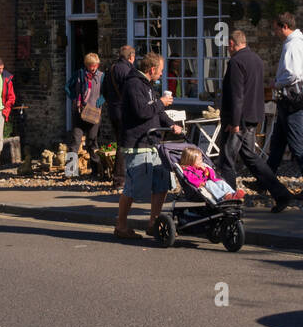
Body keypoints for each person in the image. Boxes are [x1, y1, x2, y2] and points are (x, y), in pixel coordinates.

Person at [219, 30, 292, 211]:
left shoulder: (236, 62)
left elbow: (237, 95)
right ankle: (282, 195)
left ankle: (230, 203)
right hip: (252, 116)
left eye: (229, 46)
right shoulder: (257, 60)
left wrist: (234, 122)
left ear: (232, 44)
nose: (228, 49)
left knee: (227, 160)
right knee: (250, 157)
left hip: (239, 119)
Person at [113, 52, 184, 240]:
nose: (162, 74)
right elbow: (142, 112)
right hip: (138, 144)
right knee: (133, 188)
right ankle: (120, 226)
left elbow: (156, 113)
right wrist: (161, 102)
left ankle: (153, 224)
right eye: (160, 70)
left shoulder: (147, 86)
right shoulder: (134, 84)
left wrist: (171, 124)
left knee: (162, 184)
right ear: (151, 69)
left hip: (153, 142)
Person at [263, 13, 303, 198]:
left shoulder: (292, 45)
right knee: (277, 144)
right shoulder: (298, 44)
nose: (275, 32)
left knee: (297, 144)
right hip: (291, 100)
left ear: (285, 26)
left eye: (276, 28)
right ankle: (265, 182)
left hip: (292, 101)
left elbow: (291, 74)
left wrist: (275, 83)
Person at [102, 45, 136, 189]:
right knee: (124, 145)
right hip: (124, 111)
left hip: (112, 110)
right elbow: (132, 92)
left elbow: (103, 90)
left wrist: (112, 102)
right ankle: (120, 180)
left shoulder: (111, 69)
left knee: (120, 143)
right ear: (131, 57)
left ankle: (120, 177)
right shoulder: (128, 70)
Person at [65, 52, 105, 167]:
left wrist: (101, 99)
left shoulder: (102, 76)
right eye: (90, 65)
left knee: (92, 141)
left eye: (95, 65)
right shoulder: (79, 74)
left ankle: (95, 169)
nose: (93, 68)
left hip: (94, 113)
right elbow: (67, 87)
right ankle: (70, 170)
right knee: (75, 141)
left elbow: (106, 91)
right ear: (86, 64)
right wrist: (74, 98)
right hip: (79, 112)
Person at [178, 145, 243, 202]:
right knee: (209, 183)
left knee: (221, 182)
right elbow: (191, 179)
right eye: (199, 160)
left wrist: (206, 170)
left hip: (209, 183)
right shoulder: (188, 170)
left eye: (201, 159)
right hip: (201, 186)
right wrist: (201, 183)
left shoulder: (202, 166)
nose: (201, 161)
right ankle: (223, 197)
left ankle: (233, 194)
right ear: (190, 161)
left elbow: (212, 176)